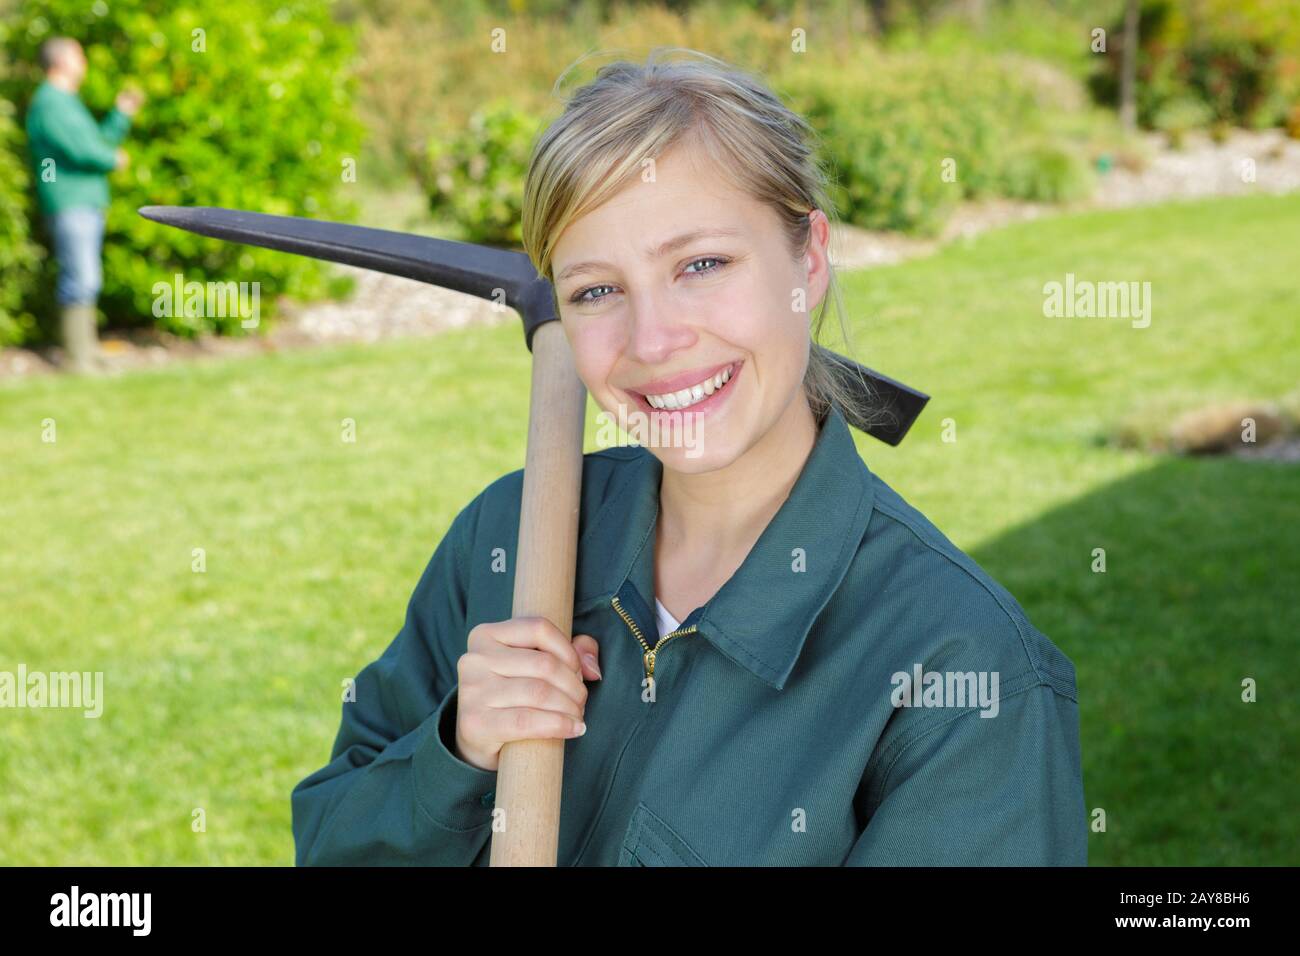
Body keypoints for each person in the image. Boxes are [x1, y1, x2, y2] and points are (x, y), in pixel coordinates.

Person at [291, 48, 1088, 866]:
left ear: (808, 260)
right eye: (596, 290)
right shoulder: (506, 537)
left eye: (700, 265)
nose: (654, 341)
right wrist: (454, 756)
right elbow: (329, 845)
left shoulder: (963, 673)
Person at [24, 36, 143, 373]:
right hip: (69, 202)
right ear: (60, 61)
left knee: (88, 277)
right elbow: (84, 151)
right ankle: (78, 359)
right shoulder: (50, 103)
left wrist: (121, 115)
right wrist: (112, 159)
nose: (84, 63)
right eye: (79, 56)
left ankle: (88, 351)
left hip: (85, 201)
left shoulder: (67, 102)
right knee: (79, 277)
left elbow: (95, 141)